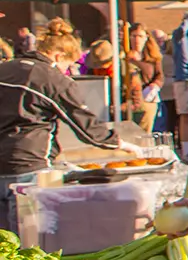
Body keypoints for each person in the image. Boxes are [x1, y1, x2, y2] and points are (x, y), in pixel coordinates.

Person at [0, 35, 121, 230]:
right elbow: (85, 126)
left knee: (4, 244)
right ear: (58, 56)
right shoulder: (52, 78)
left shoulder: (5, 68)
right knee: (29, 237)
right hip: (28, 164)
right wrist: (119, 142)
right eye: (68, 65)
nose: (68, 71)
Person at [168, 10, 188, 153]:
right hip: (184, 79)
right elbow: (181, 31)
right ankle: (186, 149)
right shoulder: (179, 37)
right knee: (185, 115)